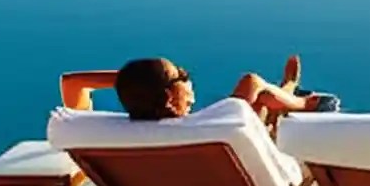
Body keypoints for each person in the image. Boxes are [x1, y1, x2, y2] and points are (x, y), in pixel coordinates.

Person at [61, 55, 338, 121]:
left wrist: (138, 82)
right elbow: (250, 81)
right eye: (182, 76)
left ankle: (287, 92)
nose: (188, 80)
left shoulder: (101, 134)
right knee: (260, 95)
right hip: (223, 179)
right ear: (169, 97)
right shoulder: (210, 126)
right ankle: (305, 102)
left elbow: (72, 82)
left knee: (261, 101)